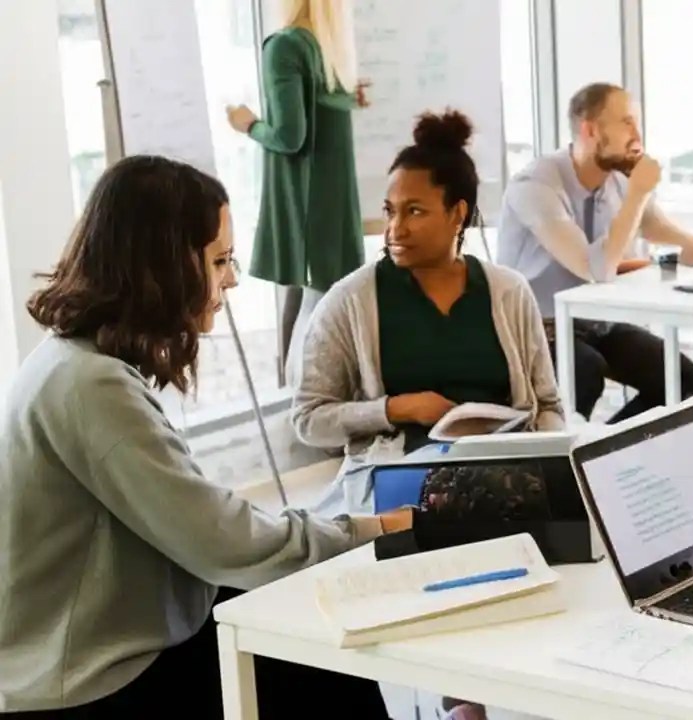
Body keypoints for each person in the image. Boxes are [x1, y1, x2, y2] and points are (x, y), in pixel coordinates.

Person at [0, 156, 410, 717]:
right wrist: (370, 530)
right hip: (85, 682)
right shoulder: (91, 385)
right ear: (162, 264)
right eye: (219, 260)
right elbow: (222, 541)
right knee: (322, 650)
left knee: (293, 608)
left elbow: (203, 524)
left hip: (69, 659)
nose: (232, 279)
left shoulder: (71, 361)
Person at [292, 109, 564, 513]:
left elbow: (548, 407)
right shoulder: (350, 300)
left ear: (458, 214)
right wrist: (397, 408)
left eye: (414, 211)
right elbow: (309, 420)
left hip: (504, 466)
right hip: (400, 476)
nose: (395, 229)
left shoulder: (509, 292)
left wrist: (551, 459)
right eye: (391, 210)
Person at [496, 82, 693, 422]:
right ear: (591, 130)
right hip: (538, 329)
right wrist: (638, 193)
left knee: (684, 380)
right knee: (586, 371)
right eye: (627, 122)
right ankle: (570, 453)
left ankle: (613, 447)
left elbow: (685, 242)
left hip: (595, 323)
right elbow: (595, 267)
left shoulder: (617, 181)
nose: (637, 135)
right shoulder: (536, 184)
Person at [226, 0, 367, 378]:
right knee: (321, 307)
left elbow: (290, 137)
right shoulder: (330, 48)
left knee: (312, 323)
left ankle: (299, 399)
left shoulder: (285, 46)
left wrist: (248, 124)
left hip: (304, 206)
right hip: (335, 209)